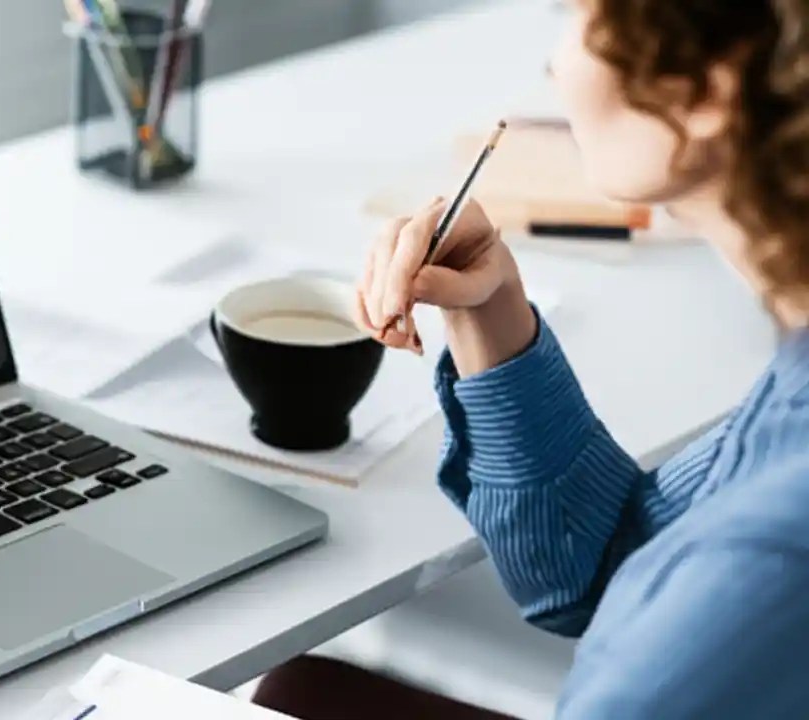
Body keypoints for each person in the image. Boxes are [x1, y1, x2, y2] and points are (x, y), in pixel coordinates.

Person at [252, 0, 809, 718]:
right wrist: (488, 311)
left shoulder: (773, 552)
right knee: (303, 689)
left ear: (704, 90)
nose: (553, 65)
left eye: (577, 17)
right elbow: (608, 569)